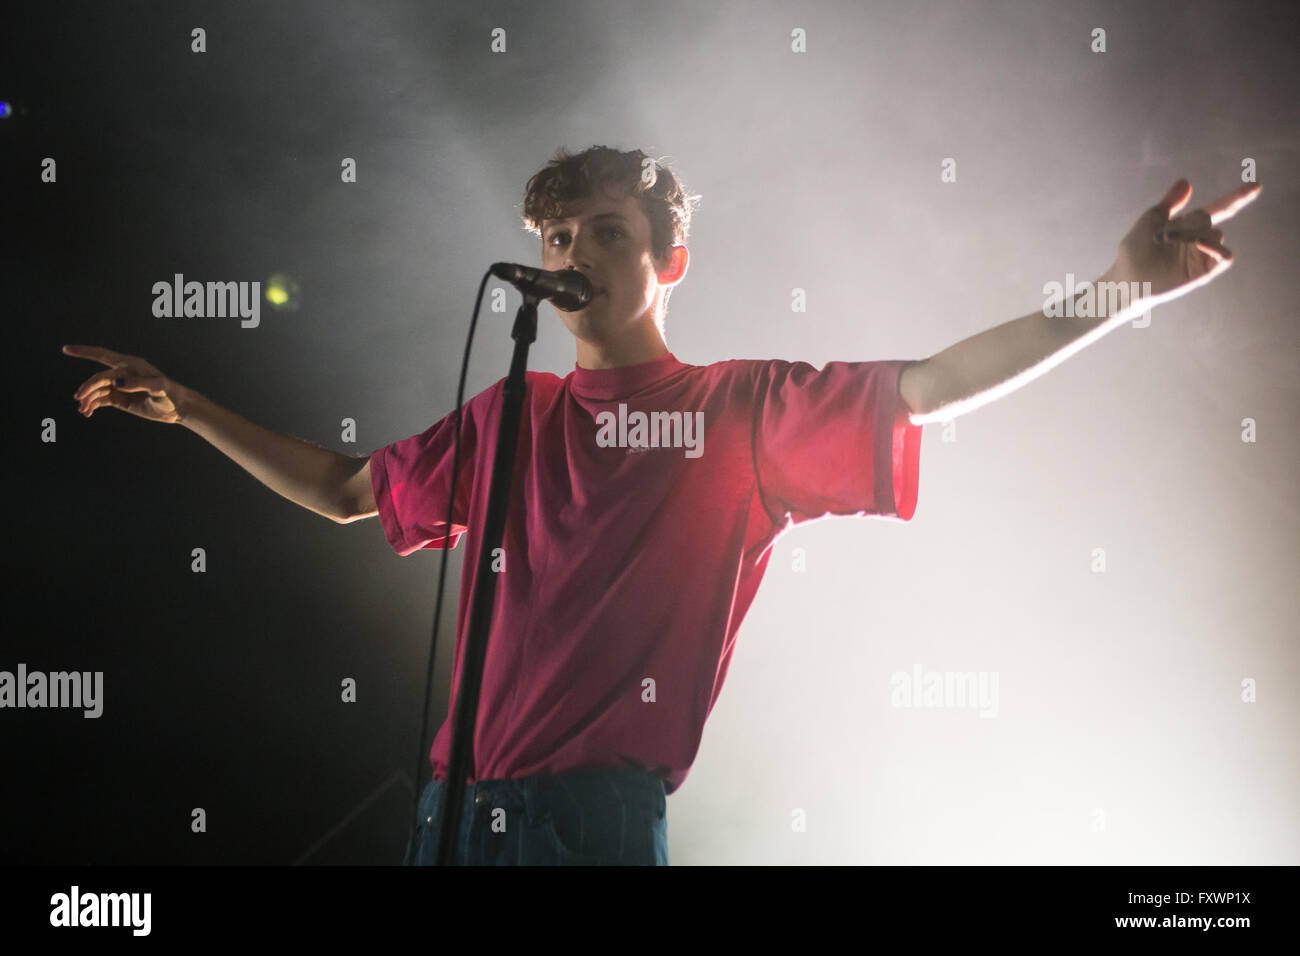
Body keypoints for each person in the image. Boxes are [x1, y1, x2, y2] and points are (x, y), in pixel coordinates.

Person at [63, 145, 1260, 865]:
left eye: (609, 230)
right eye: (557, 230)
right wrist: (190, 403)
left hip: (587, 820)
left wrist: (1118, 290)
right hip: (449, 813)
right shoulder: (508, 413)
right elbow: (342, 488)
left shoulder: (739, 412)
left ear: (668, 258)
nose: (576, 244)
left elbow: (931, 386)